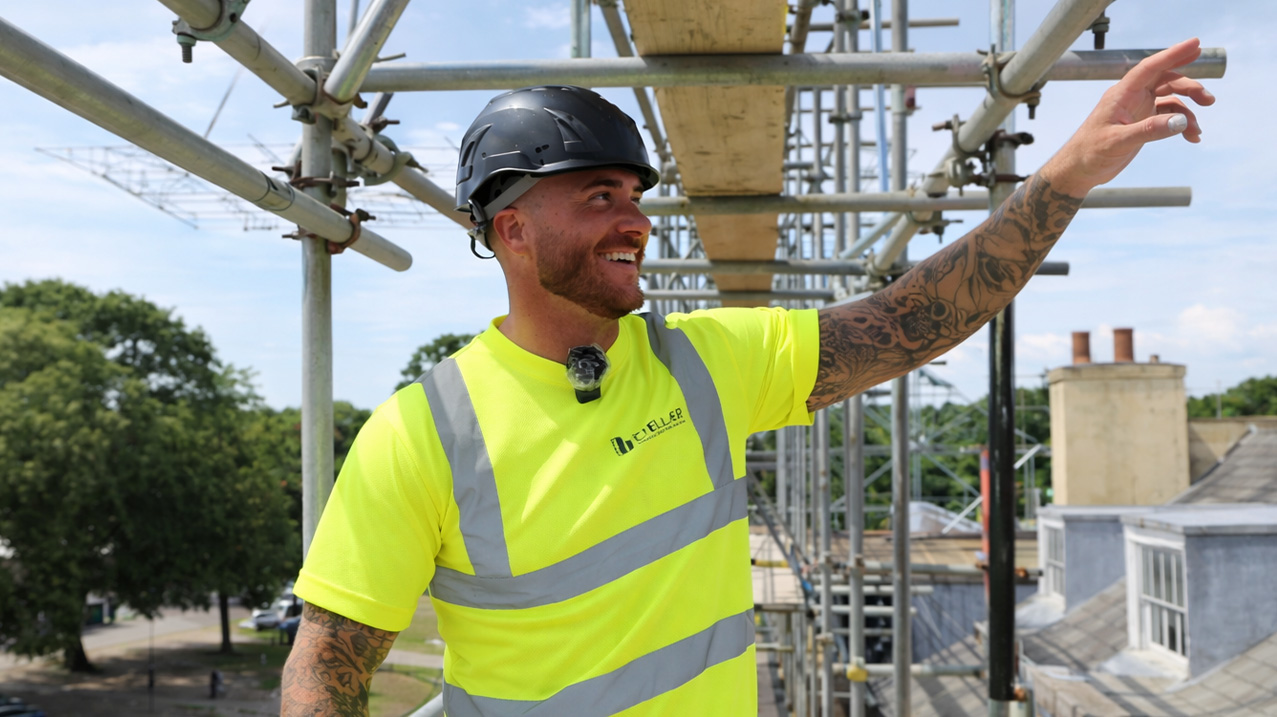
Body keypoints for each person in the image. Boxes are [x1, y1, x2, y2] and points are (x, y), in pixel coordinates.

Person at [280, 39, 1213, 716]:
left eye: (636, 196)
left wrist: (1066, 175)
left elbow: (911, 318)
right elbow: (327, 670)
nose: (634, 220)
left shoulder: (705, 365)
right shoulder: (424, 430)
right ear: (512, 229)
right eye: (597, 195)